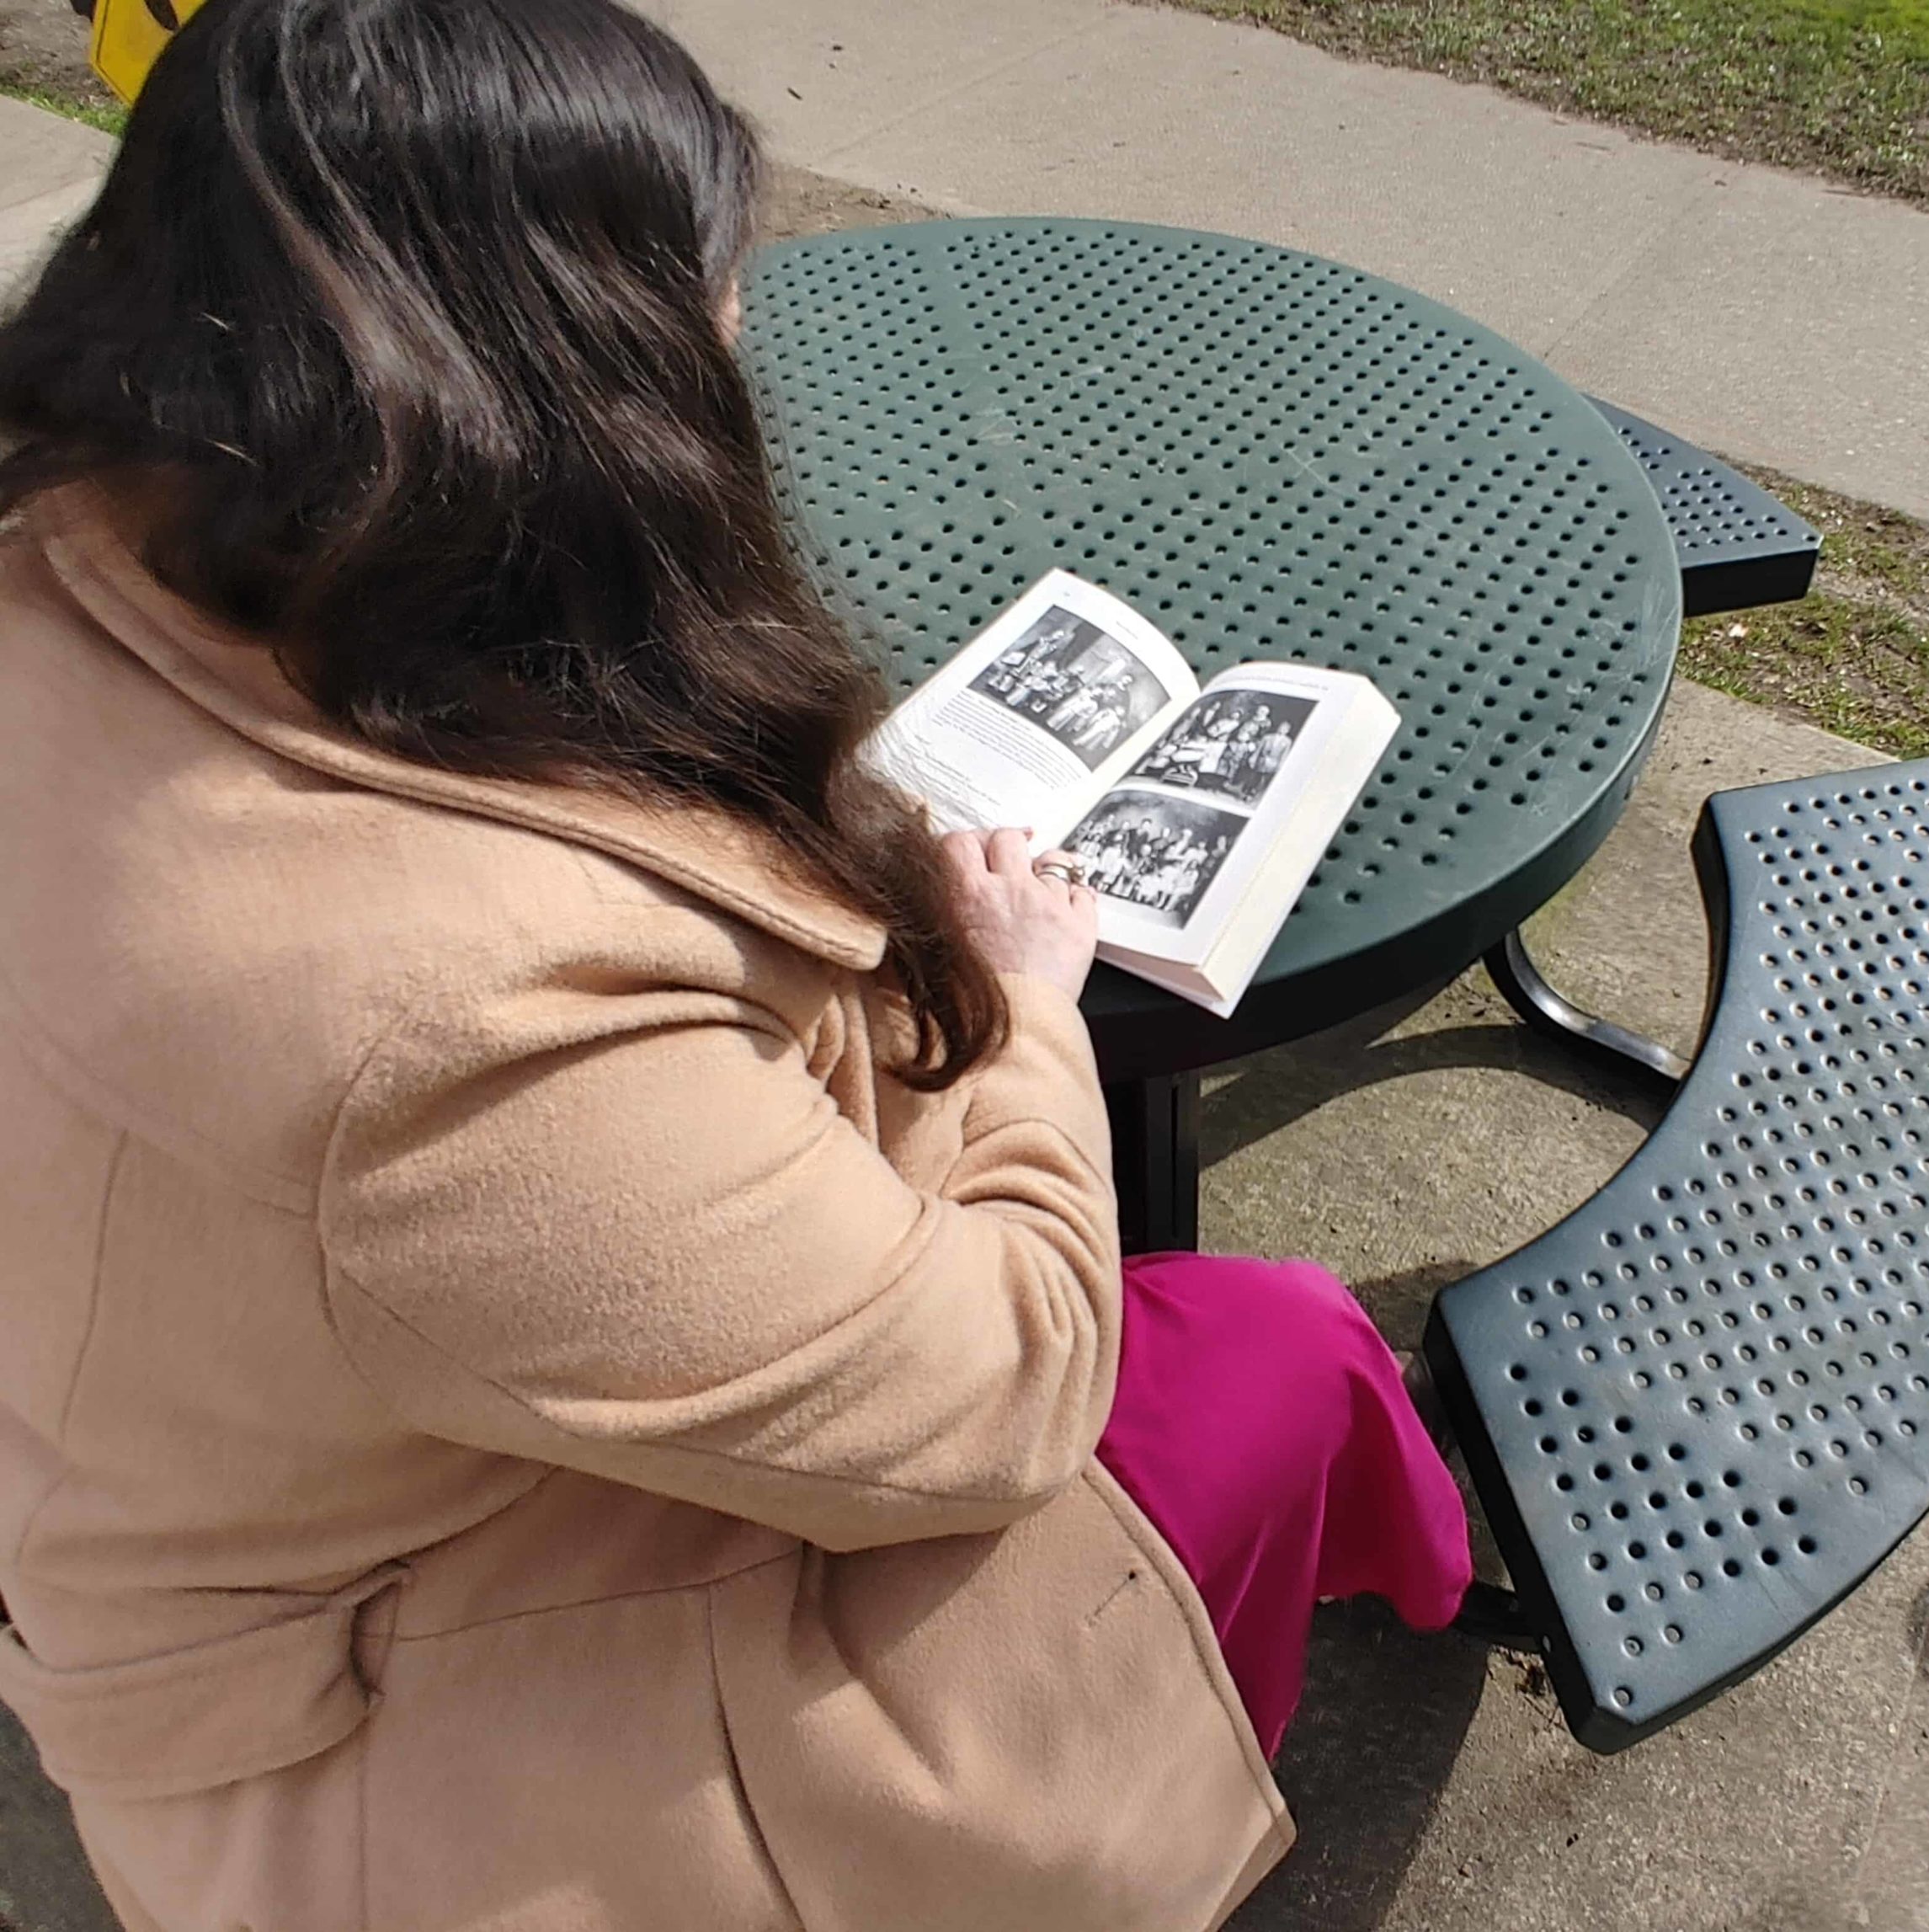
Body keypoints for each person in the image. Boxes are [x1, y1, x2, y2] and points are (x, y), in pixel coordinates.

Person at [0, 3, 1473, 1929]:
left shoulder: (80, 558)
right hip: (423, 1736)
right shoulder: (456, 1041)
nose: (737, 337)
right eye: (699, 294)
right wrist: (1021, 1003)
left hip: (236, 1471)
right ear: (541, 380)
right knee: (1261, 1352)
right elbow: (997, 1402)